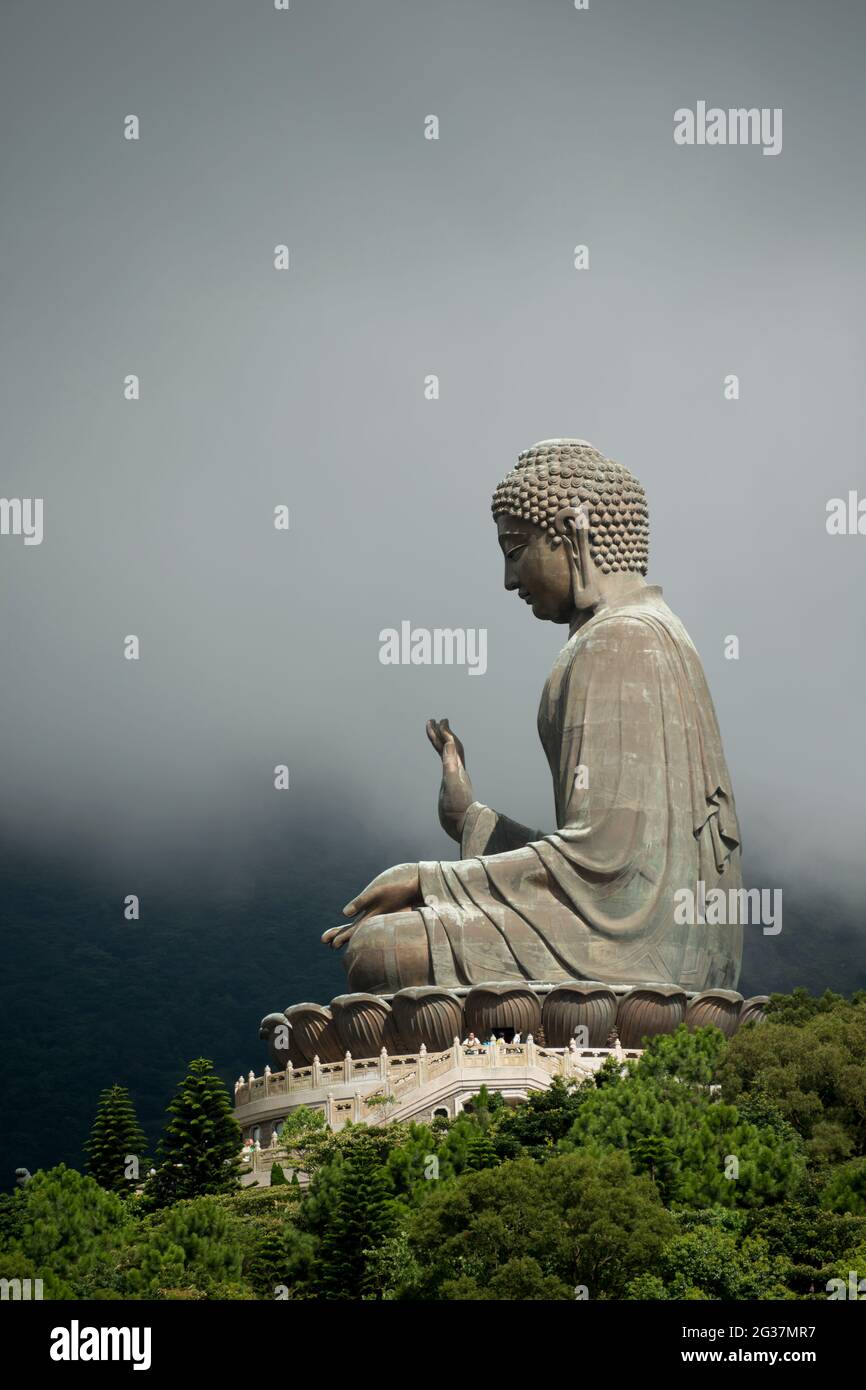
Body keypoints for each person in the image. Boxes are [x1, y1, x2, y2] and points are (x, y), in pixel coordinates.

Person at [326, 441, 742, 996]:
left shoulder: (615, 641)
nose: (508, 579)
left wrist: (430, 880)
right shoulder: (662, 633)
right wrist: (470, 818)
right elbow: (601, 864)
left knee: (380, 949)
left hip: (632, 957)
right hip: (673, 956)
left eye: (515, 549)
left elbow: (604, 876)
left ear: (571, 531)